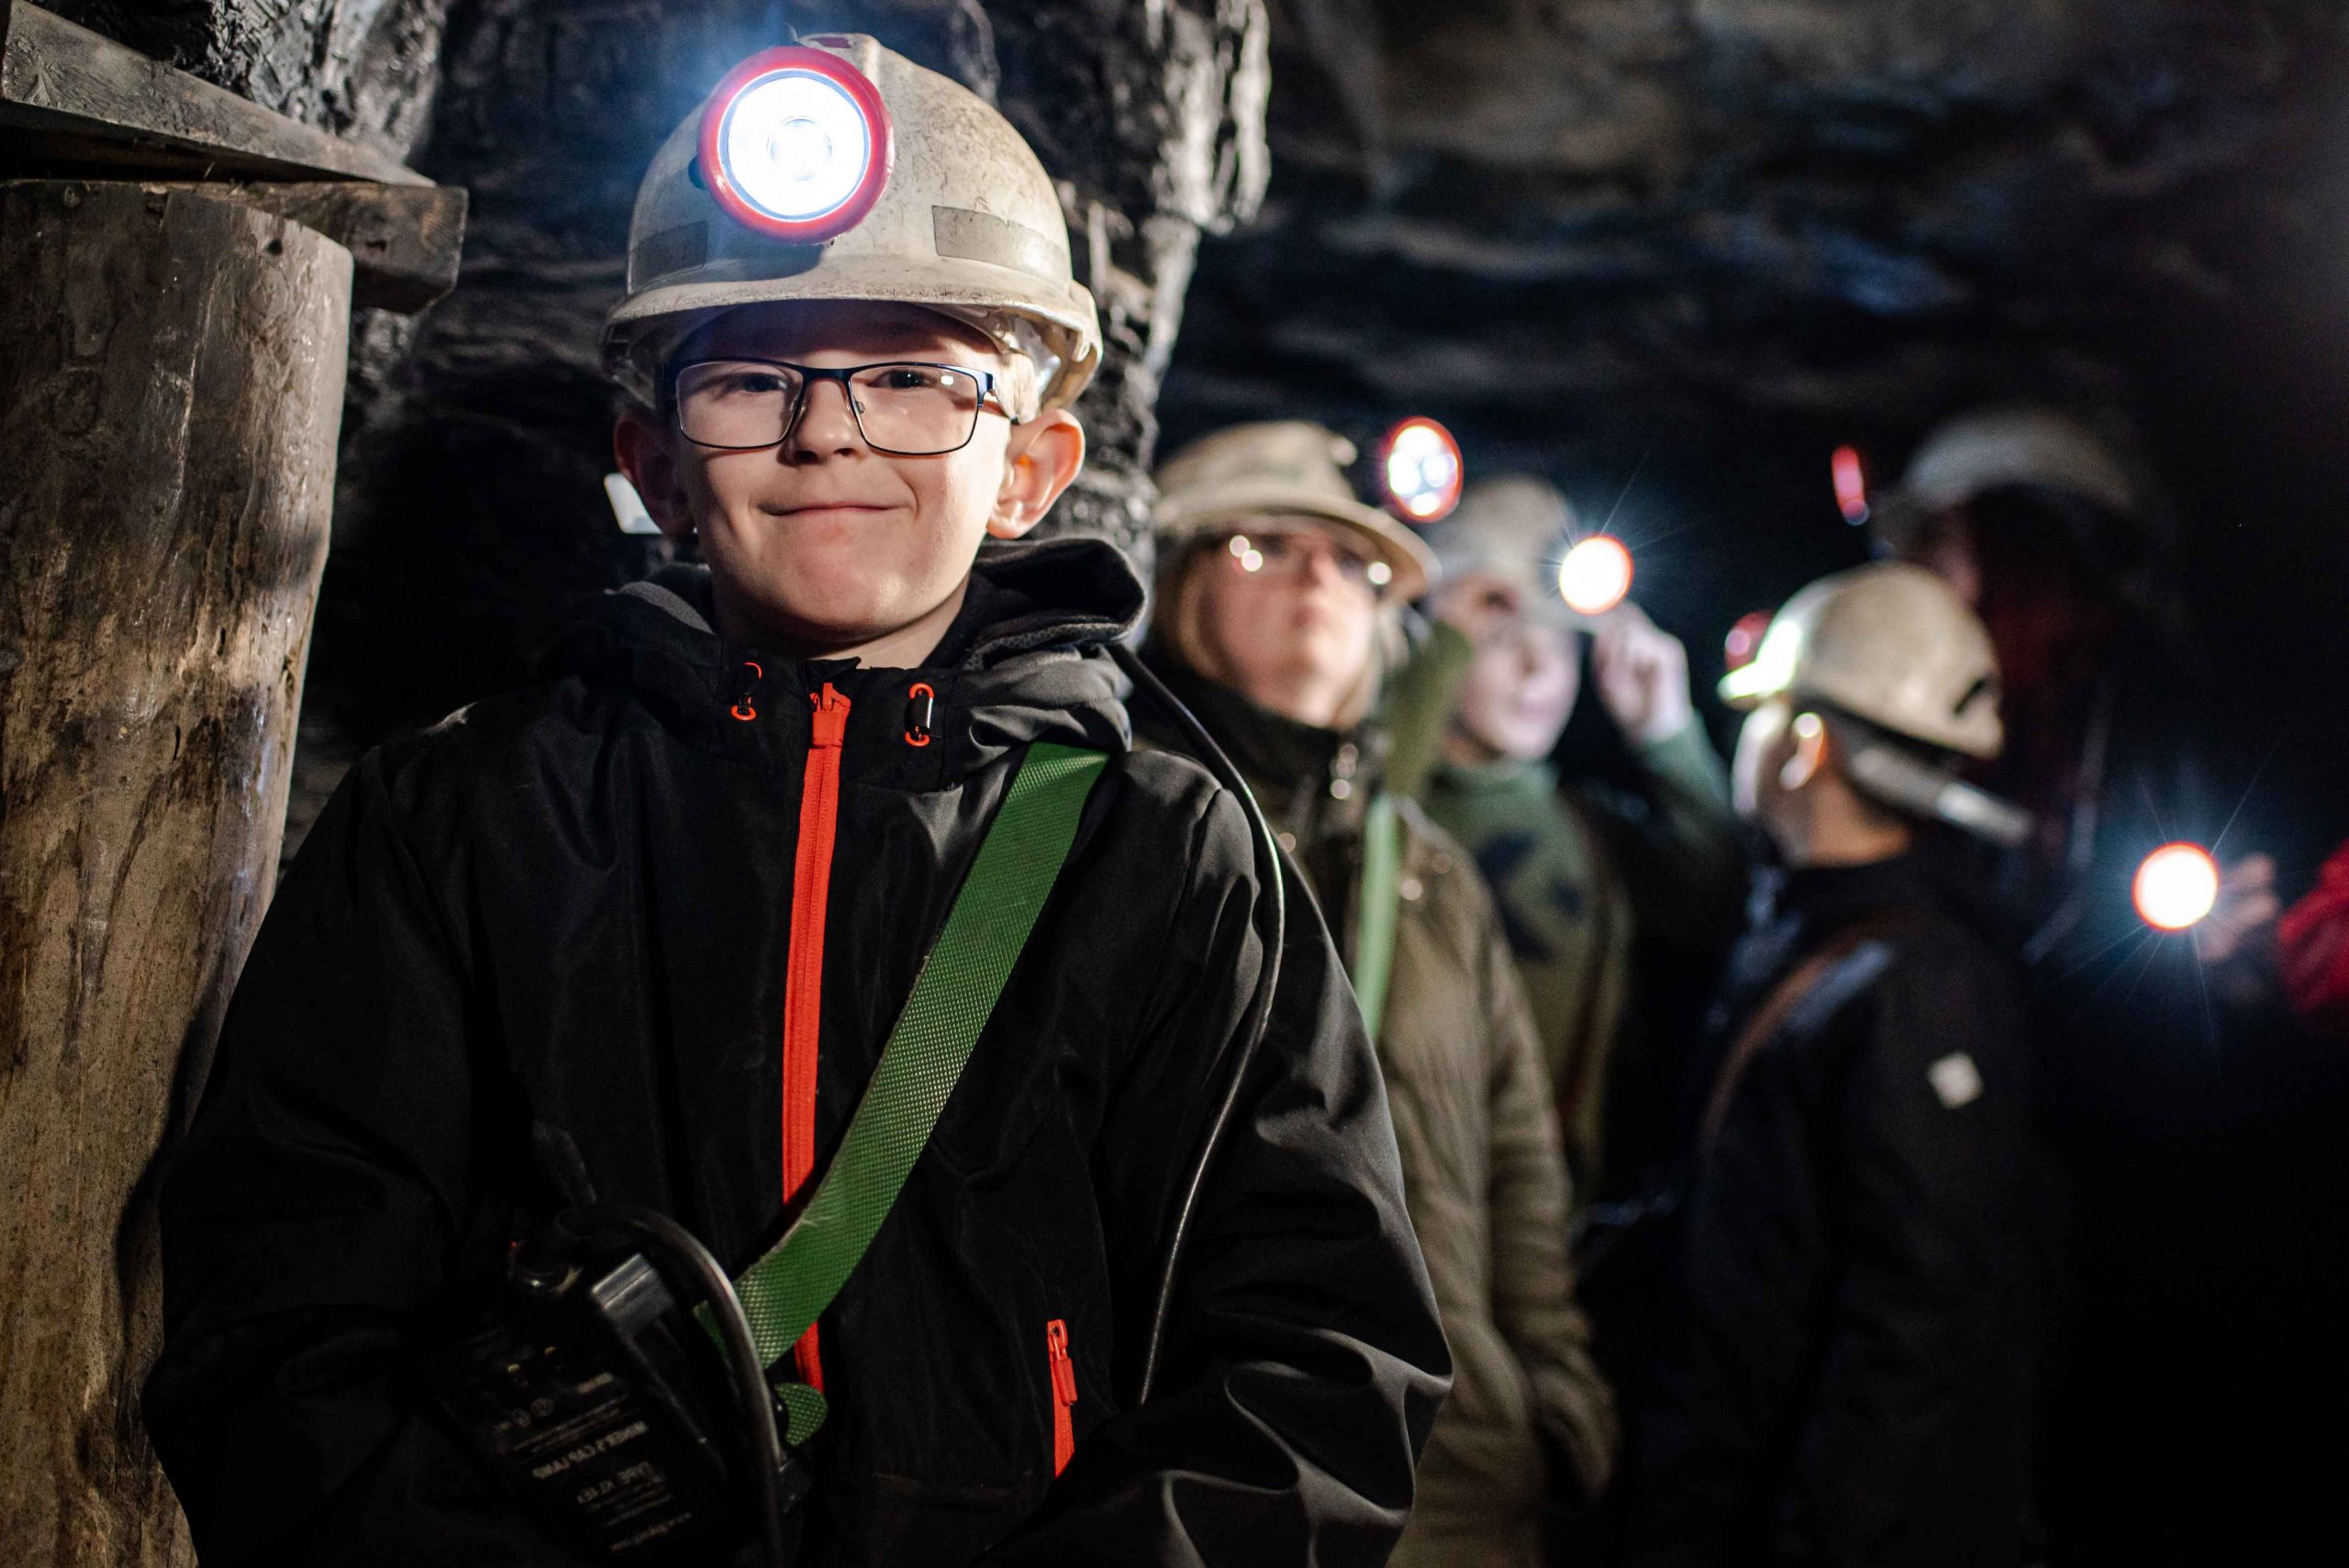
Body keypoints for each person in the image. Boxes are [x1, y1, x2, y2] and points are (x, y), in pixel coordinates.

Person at [143, 37, 1448, 1567]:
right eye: (755, 376)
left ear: (1031, 470)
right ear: (655, 464)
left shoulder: (1167, 853)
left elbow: (1319, 1365)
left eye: (912, 378)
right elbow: (282, 1331)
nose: (827, 429)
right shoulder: (461, 819)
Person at [1140, 421, 1616, 1567]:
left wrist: (1546, 1386)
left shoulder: (1432, 878)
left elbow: (1518, 1152)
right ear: (1179, 581)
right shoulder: (1128, 839)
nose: (1318, 578)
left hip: (1453, 1469)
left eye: (1351, 564)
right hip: (1204, 1471)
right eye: (1266, 545)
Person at [1621, 562, 2039, 1568]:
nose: (1748, 738)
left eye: (1764, 710)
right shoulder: (1809, 932)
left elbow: (1908, 1332)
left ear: (1806, 743)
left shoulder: (1909, 986)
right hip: (1719, 1486)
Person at [1415, 475, 1742, 1204]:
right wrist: (1435, 657)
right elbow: (1352, 829)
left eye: (1560, 644)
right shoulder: (1388, 797)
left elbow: (1712, 898)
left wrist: (1666, 733)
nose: (1538, 670)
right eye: (1504, 640)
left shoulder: (1587, 828)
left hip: (1542, 1209)